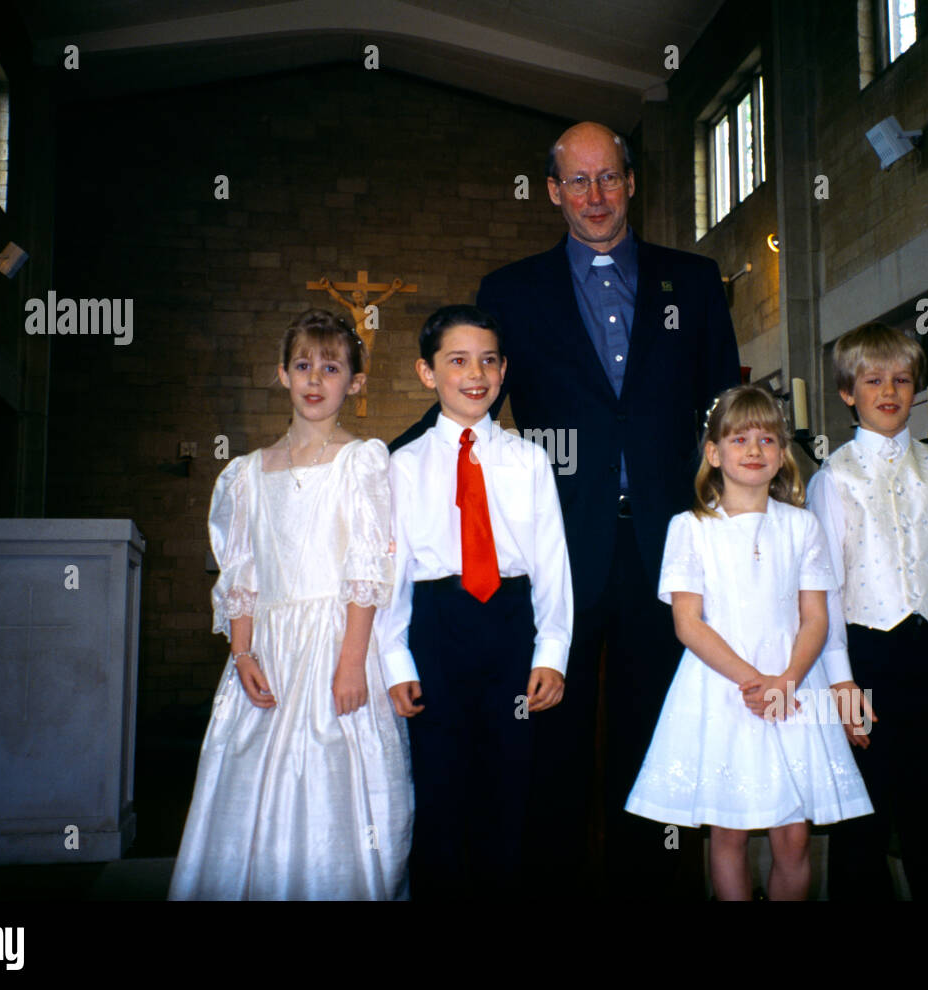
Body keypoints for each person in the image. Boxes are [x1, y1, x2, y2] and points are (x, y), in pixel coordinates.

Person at [391, 121, 740, 897]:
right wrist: (377, 462)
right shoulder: (512, 291)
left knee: (656, 731)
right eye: (577, 181)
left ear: (631, 182)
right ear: (553, 191)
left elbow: (727, 409)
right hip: (558, 552)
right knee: (549, 733)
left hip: (668, 545)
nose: (595, 196)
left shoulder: (696, 279)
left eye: (608, 177)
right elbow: (471, 401)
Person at [168, 309, 413, 900]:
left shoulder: (362, 462)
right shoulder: (246, 475)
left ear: (354, 382)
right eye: (303, 364)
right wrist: (242, 649)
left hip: (337, 648)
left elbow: (366, 570)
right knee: (248, 785)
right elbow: (242, 574)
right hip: (268, 654)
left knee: (335, 785)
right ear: (282, 374)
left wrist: (353, 660)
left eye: (331, 367)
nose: (314, 378)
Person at [625, 385, 873, 900]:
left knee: (793, 835)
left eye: (767, 439)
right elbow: (688, 623)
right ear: (713, 453)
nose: (754, 450)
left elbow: (815, 620)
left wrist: (784, 682)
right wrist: (753, 681)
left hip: (795, 689)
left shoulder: (803, 527)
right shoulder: (690, 528)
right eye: (739, 439)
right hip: (722, 689)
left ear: (782, 455)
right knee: (728, 830)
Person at [377, 304, 573, 898]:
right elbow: (391, 575)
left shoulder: (529, 459)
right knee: (438, 789)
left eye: (489, 360)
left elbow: (552, 566)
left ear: (505, 368)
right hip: (436, 629)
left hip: (511, 629)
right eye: (457, 361)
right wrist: (396, 662)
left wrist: (552, 653)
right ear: (426, 372)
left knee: (508, 789)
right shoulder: (401, 466)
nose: (476, 374)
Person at [807, 322, 928, 901]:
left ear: (916, 389)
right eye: (873, 380)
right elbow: (824, 590)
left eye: (902, 380)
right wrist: (841, 685)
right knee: (864, 824)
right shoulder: (832, 478)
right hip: (865, 660)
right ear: (848, 392)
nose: (889, 391)